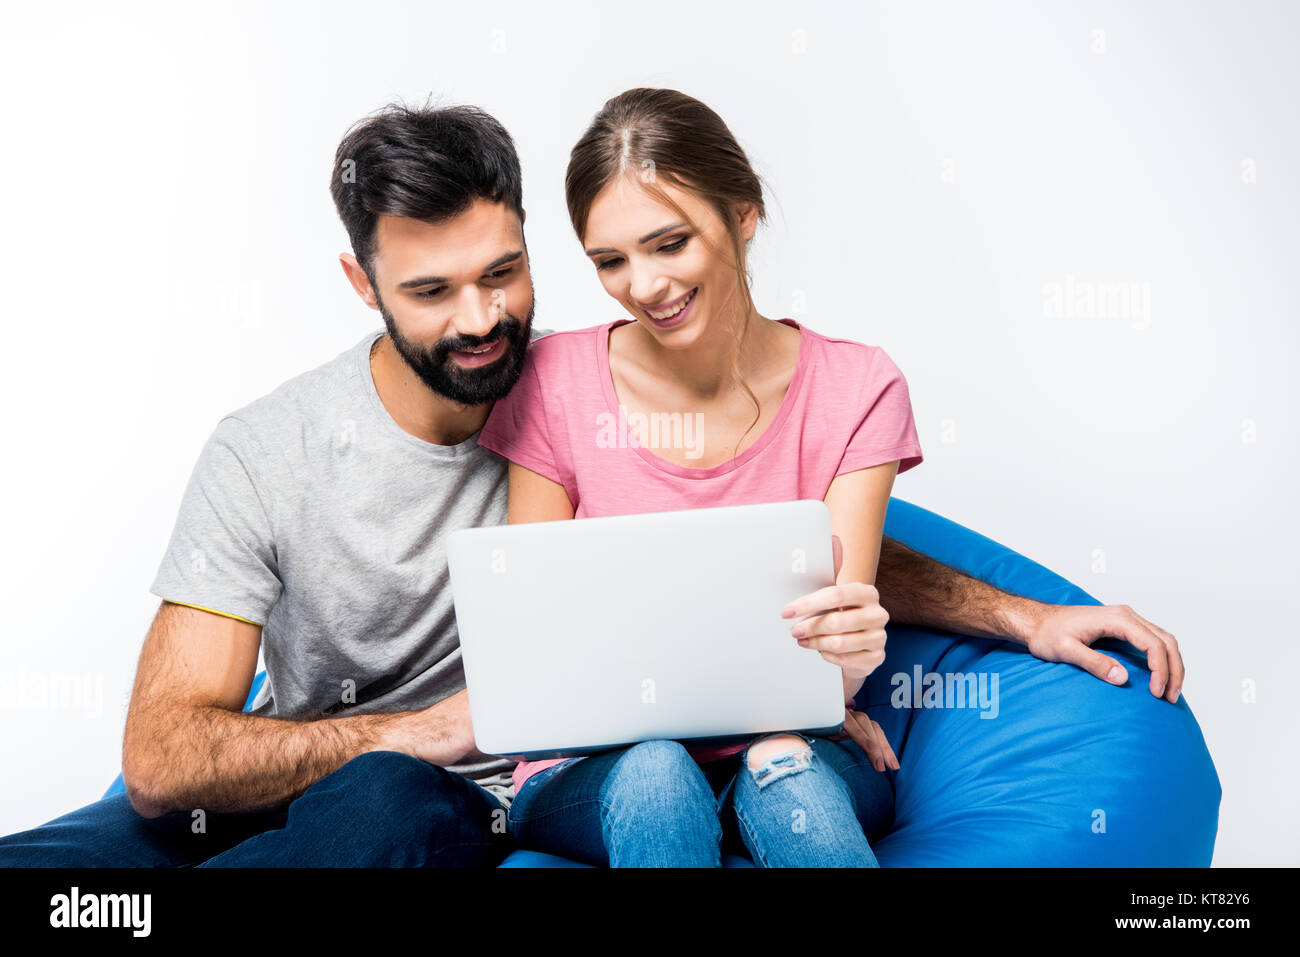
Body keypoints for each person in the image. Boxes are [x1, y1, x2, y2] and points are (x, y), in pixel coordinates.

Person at [0, 98, 1183, 868]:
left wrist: (1017, 616)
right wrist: (439, 727)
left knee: (743, 779)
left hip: (584, 777)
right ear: (361, 286)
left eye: (503, 274)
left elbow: (783, 550)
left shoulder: (574, 379)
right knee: (373, 811)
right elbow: (160, 765)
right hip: (424, 785)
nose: (479, 321)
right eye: (428, 292)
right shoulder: (275, 452)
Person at [475, 88, 1185, 868]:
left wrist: (836, 669)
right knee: (658, 771)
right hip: (598, 764)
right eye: (610, 261)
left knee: (789, 771)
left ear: (742, 213)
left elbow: (834, 643)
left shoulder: (857, 388)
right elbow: (537, 643)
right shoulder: (553, 380)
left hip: (801, 741)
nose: (643, 286)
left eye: (669, 243)